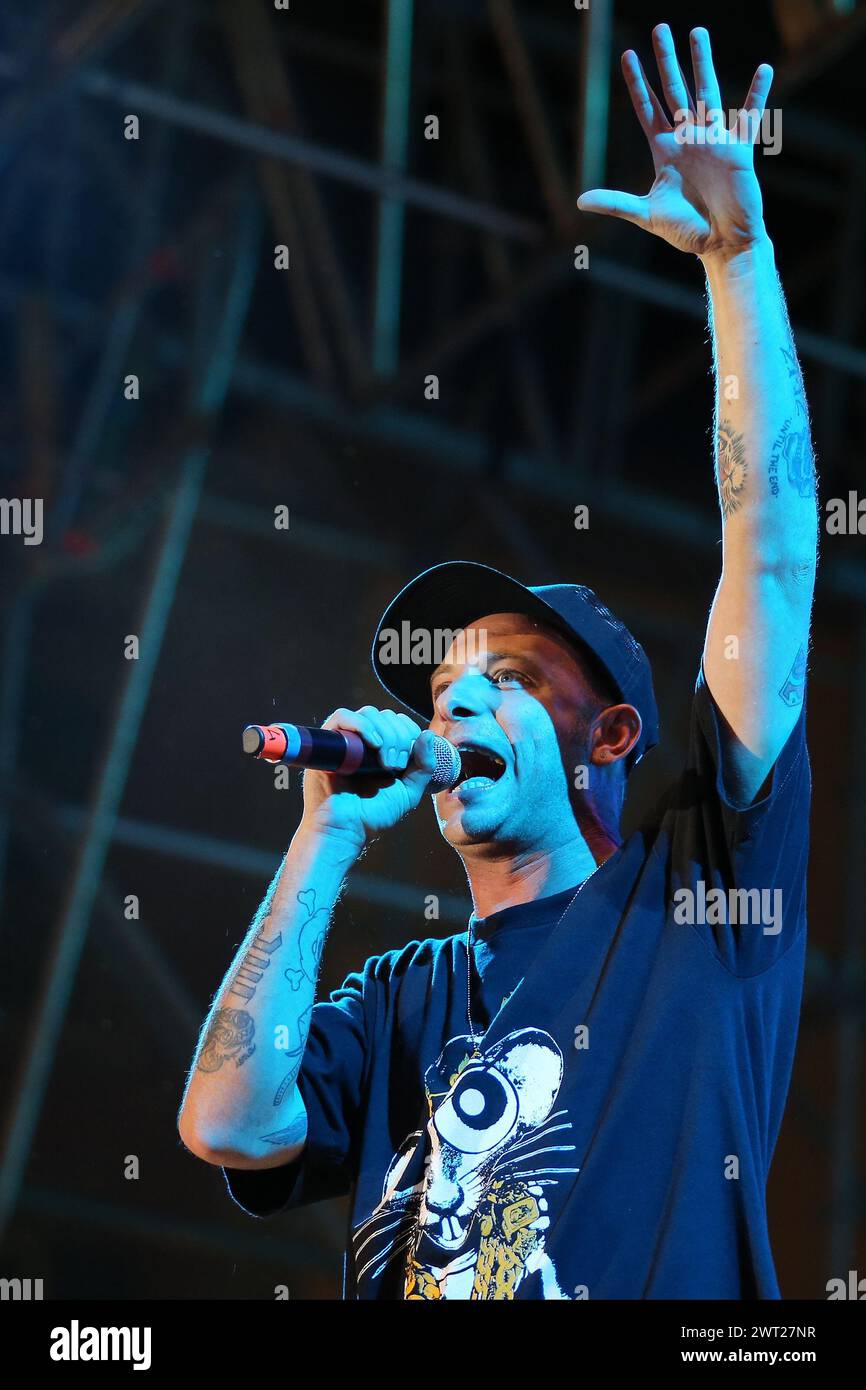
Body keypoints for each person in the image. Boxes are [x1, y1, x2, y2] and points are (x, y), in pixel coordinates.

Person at [178, 24, 818, 1299]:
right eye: (444, 679)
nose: (455, 693)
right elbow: (229, 1124)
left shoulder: (693, 896)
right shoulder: (401, 999)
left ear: (611, 734)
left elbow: (770, 548)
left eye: (512, 675)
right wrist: (322, 838)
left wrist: (736, 265)